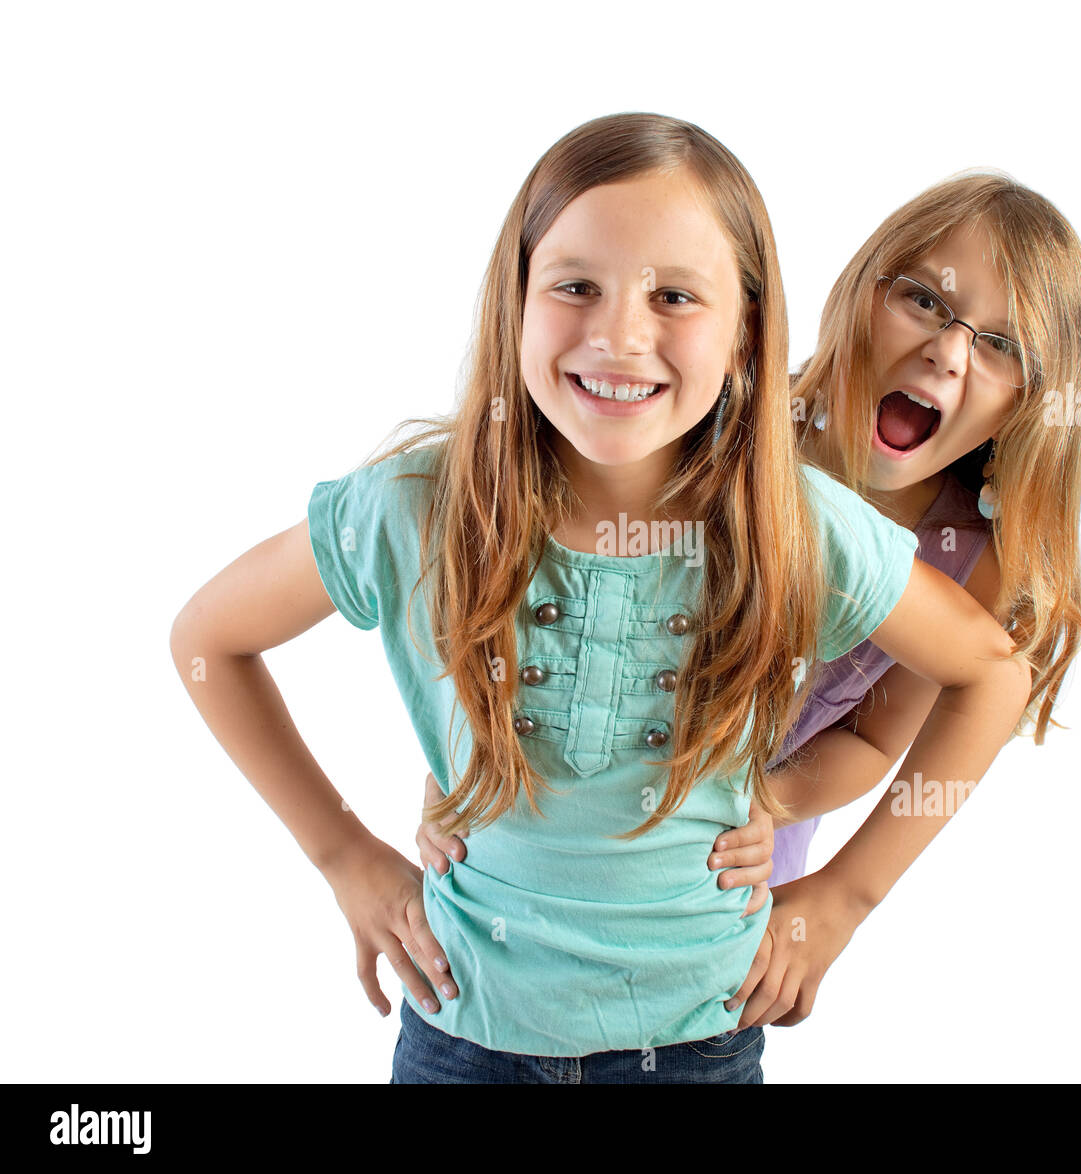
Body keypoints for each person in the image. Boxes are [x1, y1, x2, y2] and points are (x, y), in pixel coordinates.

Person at [169, 113, 1028, 1084]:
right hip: (464, 1030)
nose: (620, 333)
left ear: (747, 333)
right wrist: (342, 855)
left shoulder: (793, 520)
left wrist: (843, 898)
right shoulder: (416, 506)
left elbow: (989, 675)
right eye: (577, 285)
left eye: (673, 296)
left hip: (697, 1037)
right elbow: (210, 638)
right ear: (516, 303)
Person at [419, 172, 1081, 1035]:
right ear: (861, 291)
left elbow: (874, 736)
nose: (949, 352)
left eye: (1001, 345)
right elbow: (535, 603)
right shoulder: (723, 433)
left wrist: (826, 881)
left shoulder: (972, 558)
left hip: (731, 853)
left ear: (1029, 404)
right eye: (924, 299)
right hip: (552, 815)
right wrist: (456, 768)